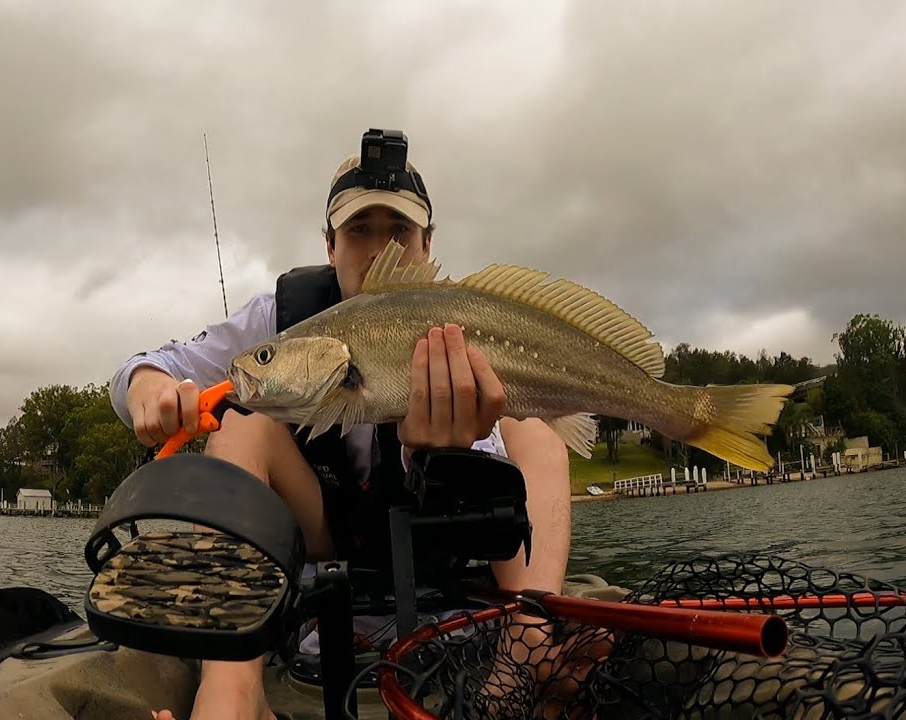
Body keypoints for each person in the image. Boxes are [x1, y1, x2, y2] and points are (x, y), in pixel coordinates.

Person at [110, 130, 573, 720]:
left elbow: (499, 494)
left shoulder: (461, 319)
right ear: (329, 245)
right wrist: (148, 386)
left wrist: (445, 453)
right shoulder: (281, 319)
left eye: (399, 231)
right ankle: (230, 693)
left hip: (442, 532)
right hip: (328, 529)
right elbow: (148, 369)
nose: (380, 249)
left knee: (533, 431)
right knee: (241, 426)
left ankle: (529, 640)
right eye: (360, 230)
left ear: (428, 245)